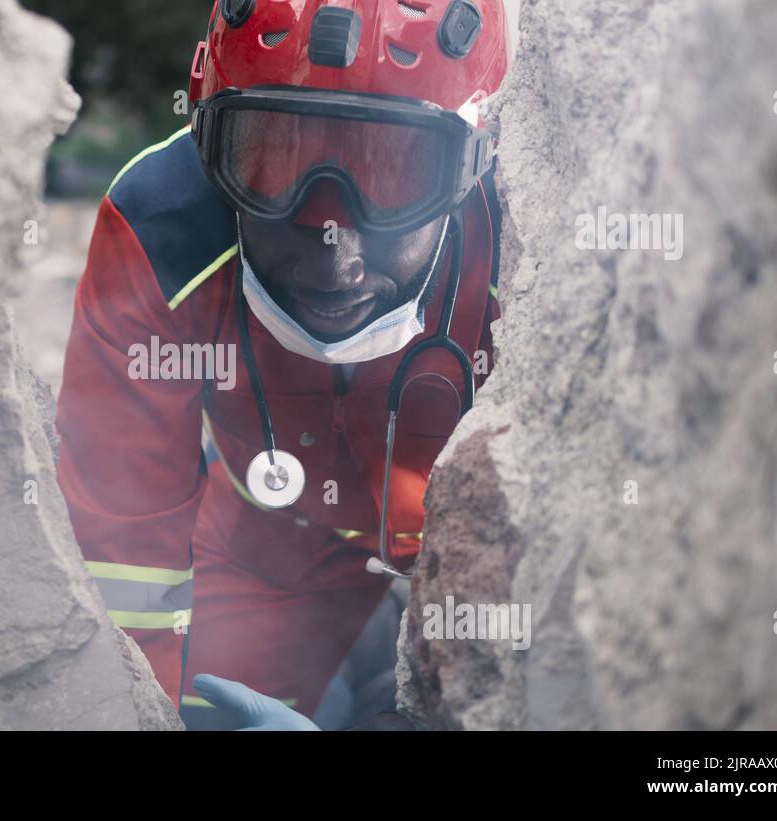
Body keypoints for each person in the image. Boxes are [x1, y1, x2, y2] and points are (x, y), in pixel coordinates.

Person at [56, 0, 516, 729]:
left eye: (394, 174)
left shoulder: (526, 246)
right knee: (209, 706)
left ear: (475, 164)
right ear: (213, 149)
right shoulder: (158, 235)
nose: (337, 257)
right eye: (277, 161)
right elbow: (123, 551)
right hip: (269, 543)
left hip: (479, 557)